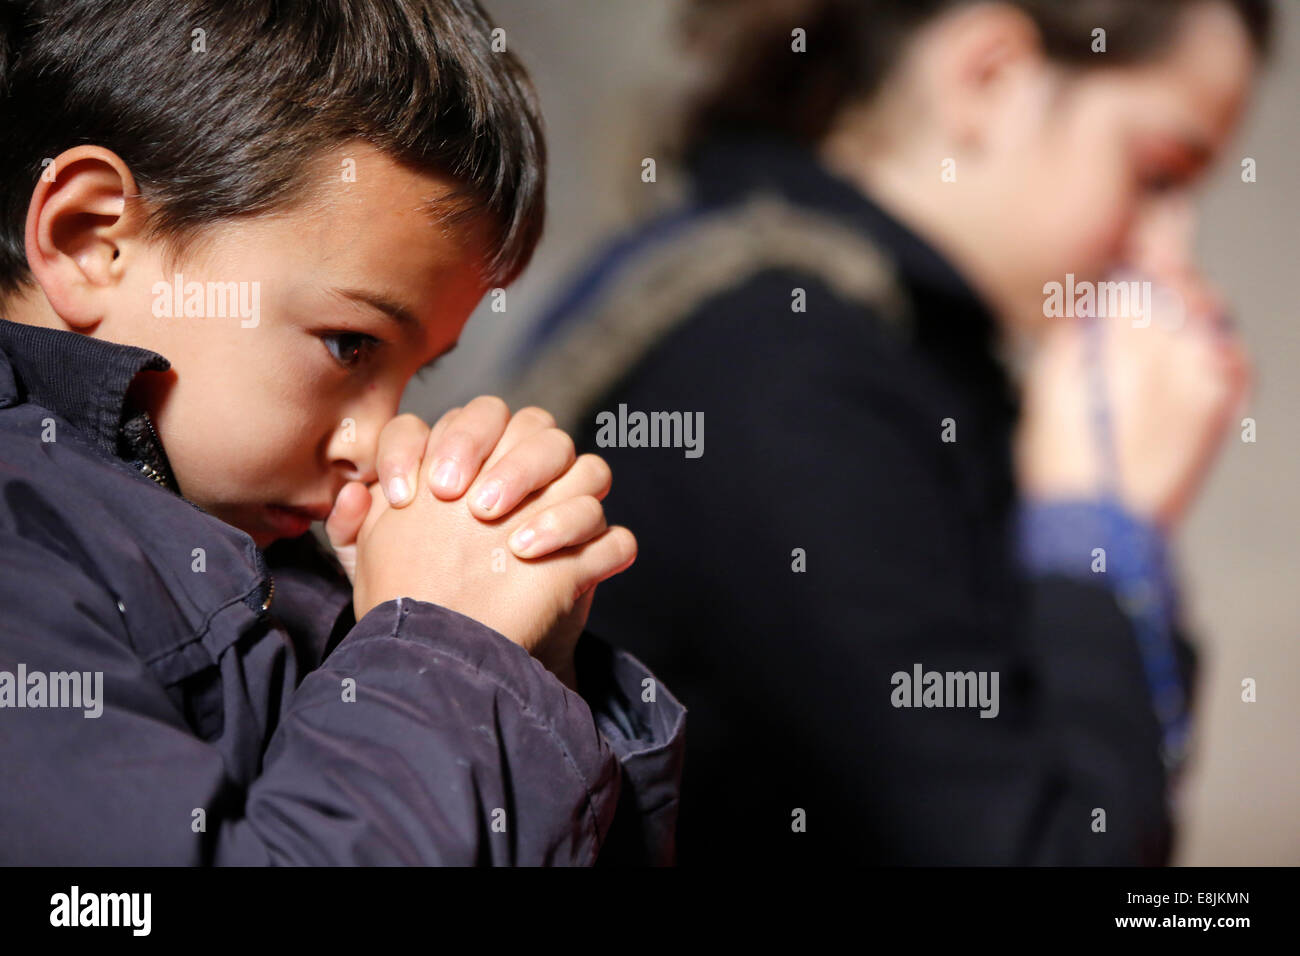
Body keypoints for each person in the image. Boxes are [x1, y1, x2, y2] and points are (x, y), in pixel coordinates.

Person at [511, 0, 1269, 863]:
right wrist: (1101, 528)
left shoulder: (818, 321)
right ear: (989, 76)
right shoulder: (785, 365)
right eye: (1158, 172)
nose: (1169, 253)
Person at [0, 0, 683, 865]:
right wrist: (443, 647)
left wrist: (528, 672)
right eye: (349, 343)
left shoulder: (262, 557)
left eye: (416, 372)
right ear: (92, 240)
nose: (377, 438)